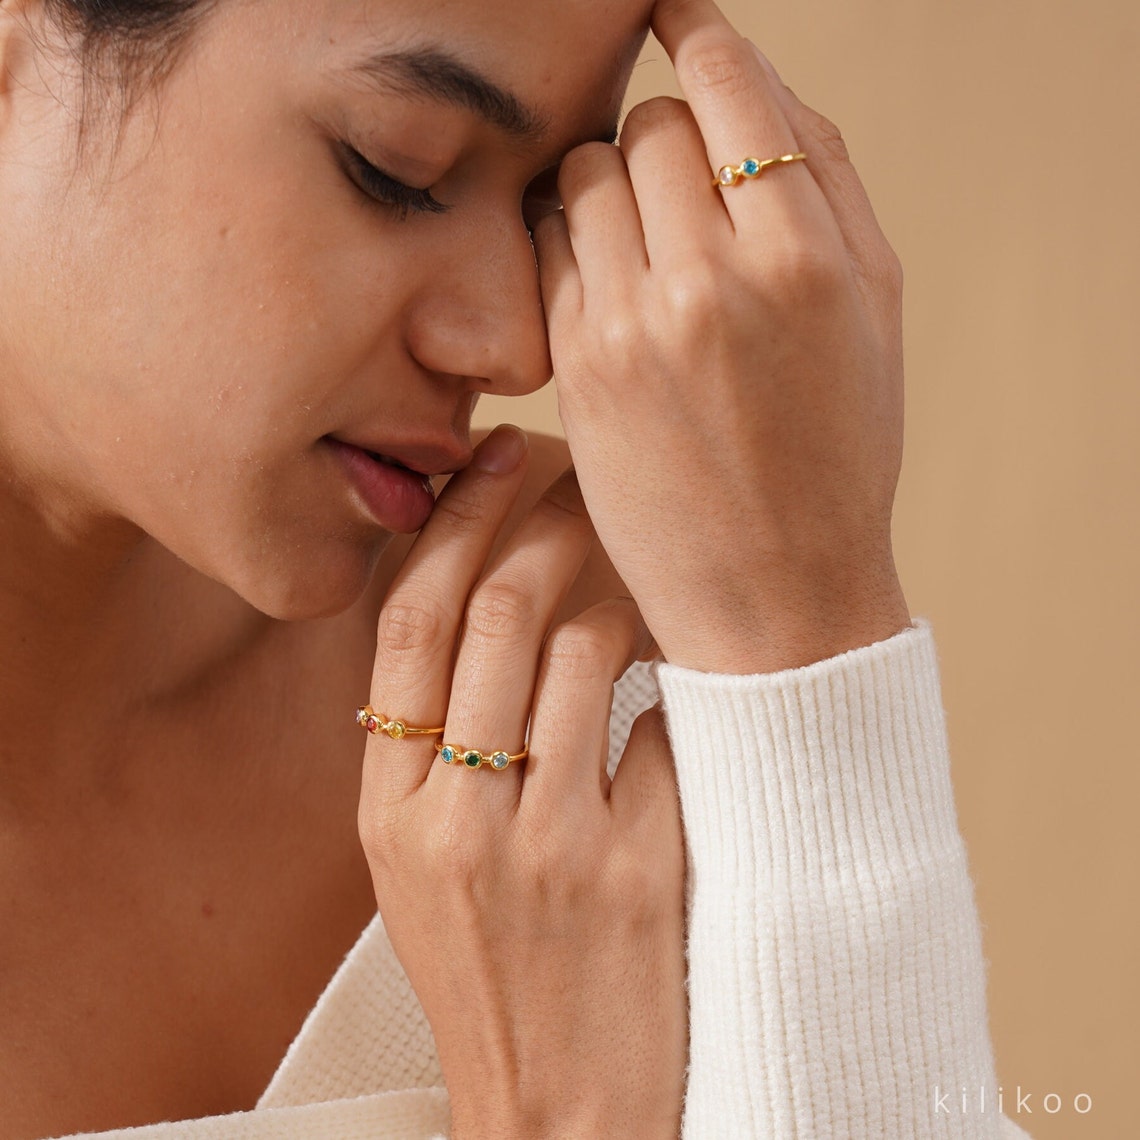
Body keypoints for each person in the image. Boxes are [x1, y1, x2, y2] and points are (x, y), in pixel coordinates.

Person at [0, 0, 1029, 1136]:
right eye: (395, 168)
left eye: (545, 209)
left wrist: (804, 654)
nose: (516, 345)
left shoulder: (595, 676)